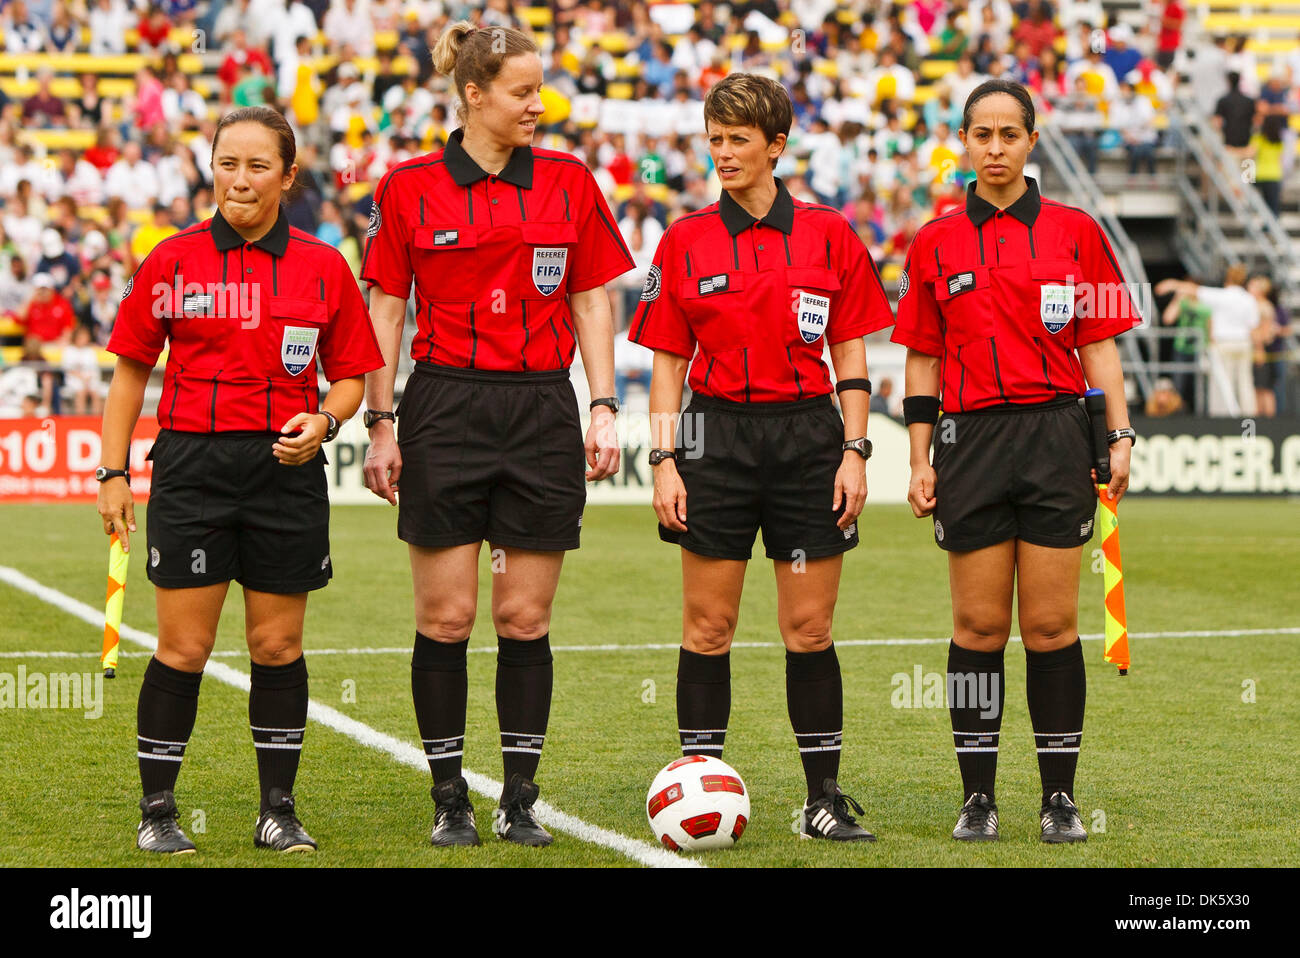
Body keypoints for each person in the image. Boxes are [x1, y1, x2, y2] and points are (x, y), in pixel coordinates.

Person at [360, 22, 633, 849]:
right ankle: (450, 797)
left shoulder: (569, 179)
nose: (538, 106)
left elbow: (592, 297)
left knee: (524, 617)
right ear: (474, 94)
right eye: (522, 92)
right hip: (445, 408)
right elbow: (387, 309)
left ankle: (518, 797)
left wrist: (603, 402)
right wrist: (380, 422)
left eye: (540, 89)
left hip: (543, 410)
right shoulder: (407, 187)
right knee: (445, 618)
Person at [97, 106, 384, 855]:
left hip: (285, 474)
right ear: (211, 167)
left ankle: (278, 812)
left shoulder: (324, 266)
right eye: (228, 163)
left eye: (259, 166)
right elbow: (131, 370)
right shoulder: (172, 260)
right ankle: (158, 812)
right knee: (182, 649)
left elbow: (351, 377)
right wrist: (112, 471)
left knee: (277, 647)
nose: (240, 179)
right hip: (192, 469)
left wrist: (324, 420)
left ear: (288, 176)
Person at [630, 73, 893, 842]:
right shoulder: (684, 239)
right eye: (714, 139)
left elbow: (851, 354)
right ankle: (695, 790)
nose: (723, 153)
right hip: (715, 441)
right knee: (708, 625)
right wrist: (664, 459)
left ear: (777, 145)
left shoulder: (829, 234)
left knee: (808, 628)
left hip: (810, 443)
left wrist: (854, 452)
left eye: (738, 140)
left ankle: (822, 799)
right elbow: (668, 364)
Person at [892, 79, 1140, 844]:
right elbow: (924, 362)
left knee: (1050, 623)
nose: (994, 147)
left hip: (1056, 438)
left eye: (1009, 133)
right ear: (962, 143)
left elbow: (1098, 345)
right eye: (981, 134)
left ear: (1032, 141)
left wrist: (1121, 436)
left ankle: (1058, 798)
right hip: (970, 443)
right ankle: (977, 797)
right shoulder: (934, 241)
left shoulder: (1076, 232)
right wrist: (919, 459)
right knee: (976, 624)